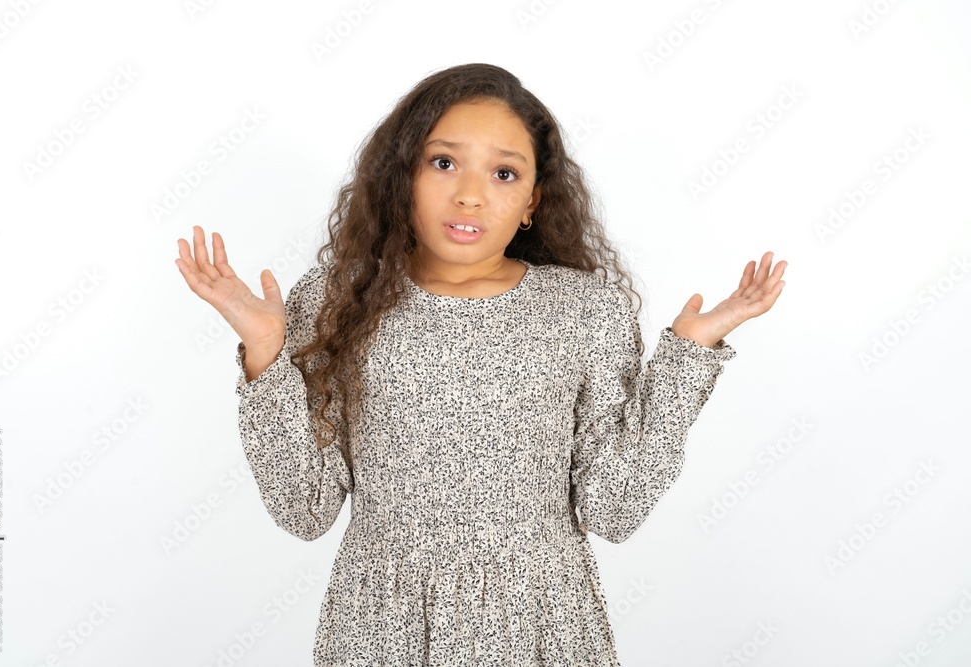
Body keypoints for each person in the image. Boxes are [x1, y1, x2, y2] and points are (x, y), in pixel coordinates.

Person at [175, 63, 787, 666]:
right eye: (443, 162)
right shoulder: (340, 299)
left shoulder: (582, 309)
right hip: (380, 630)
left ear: (531, 202)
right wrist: (265, 351)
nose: (470, 192)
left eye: (503, 172)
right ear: (402, 178)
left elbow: (613, 506)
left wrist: (688, 355)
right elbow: (303, 508)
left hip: (542, 626)